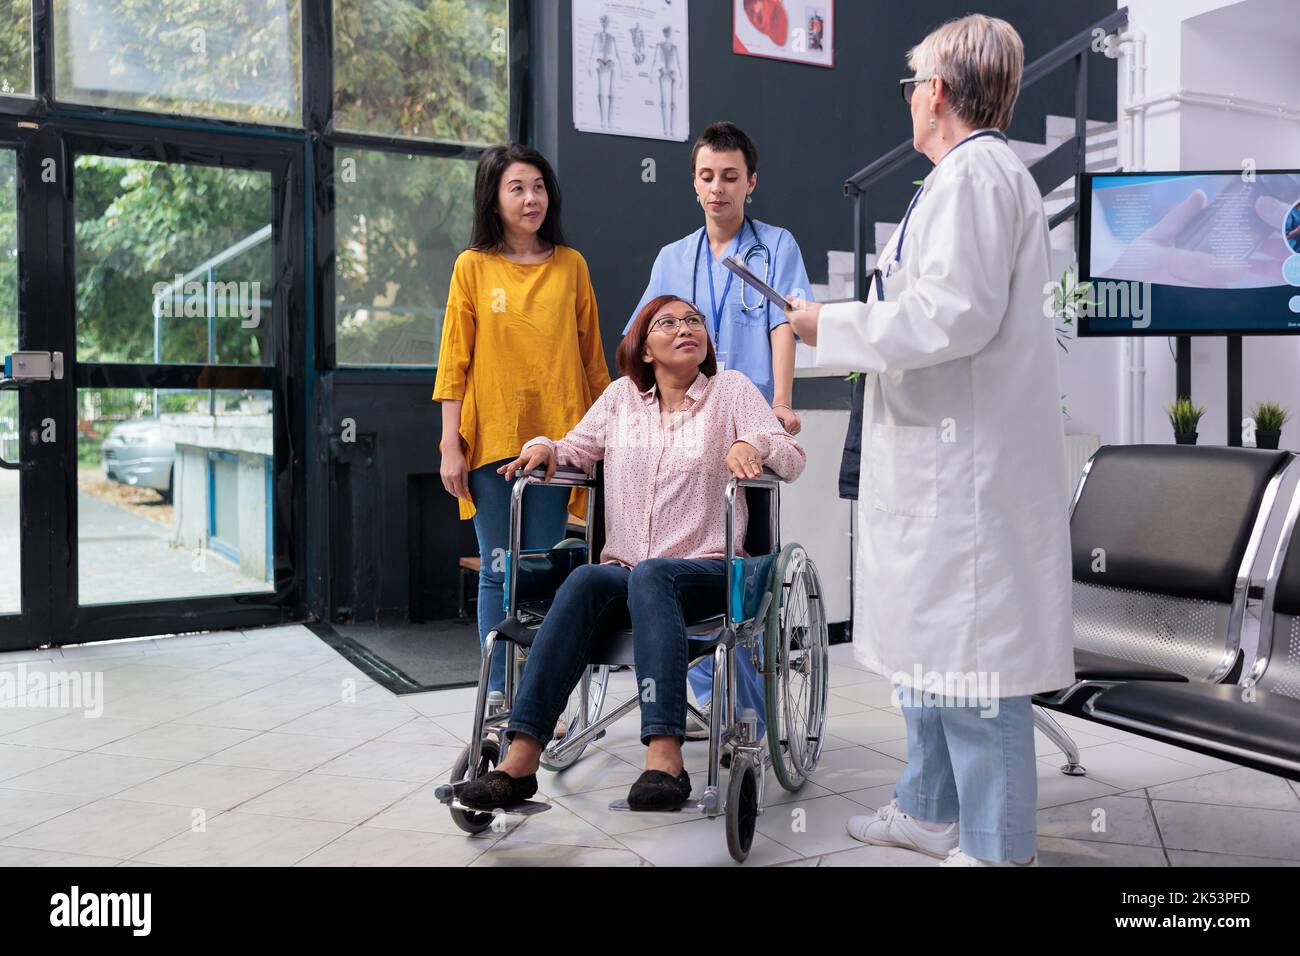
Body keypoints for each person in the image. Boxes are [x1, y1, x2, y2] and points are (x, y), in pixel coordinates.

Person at [788, 14, 1073, 867]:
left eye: (913, 84)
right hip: (939, 465)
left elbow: (953, 314)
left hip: (970, 475)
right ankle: (929, 809)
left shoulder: (978, 176)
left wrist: (826, 324)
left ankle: (994, 848)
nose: (910, 98)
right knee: (932, 655)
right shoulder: (955, 180)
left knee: (976, 670)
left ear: (937, 92)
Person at [457, 294, 805, 812]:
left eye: (694, 322)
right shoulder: (620, 398)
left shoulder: (730, 392)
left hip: (707, 569)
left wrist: (754, 446)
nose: (686, 328)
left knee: (653, 576)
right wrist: (545, 448)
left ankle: (665, 756)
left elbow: (791, 456)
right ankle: (521, 758)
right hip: (627, 573)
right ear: (643, 349)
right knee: (584, 580)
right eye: (668, 323)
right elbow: (576, 447)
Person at [627, 121, 814, 737]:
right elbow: (644, 332)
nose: (717, 187)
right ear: (694, 183)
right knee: (683, 555)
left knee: (744, 565)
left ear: (750, 182)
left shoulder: (776, 246)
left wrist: (781, 403)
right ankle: (695, 698)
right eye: (706, 176)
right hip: (686, 433)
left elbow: (783, 324)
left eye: (730, 176)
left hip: (748, 434)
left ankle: (748, 707)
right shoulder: (672, 259)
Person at [433, 144, 611, 699]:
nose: (532, 198)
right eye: (518, 188)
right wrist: (449, 444)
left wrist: (611, 435)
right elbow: (453, 361)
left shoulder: (571, 265)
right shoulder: (472, 267)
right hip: (493, 440)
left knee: (547, 570)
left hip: (561, 443)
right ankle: (496, 691)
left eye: (539, 186)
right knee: (498, 567)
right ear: (494, 197)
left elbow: (593, 361)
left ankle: (537, 689)